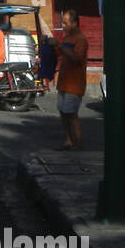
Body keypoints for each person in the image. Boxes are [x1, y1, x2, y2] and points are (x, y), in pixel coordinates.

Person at [49, 9, 89, 149]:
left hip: (74, 84)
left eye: (65, 23)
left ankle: (78, 144)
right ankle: (68, 140)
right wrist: (53, 45)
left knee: (71, 114)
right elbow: (61, 53)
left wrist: (59, 45)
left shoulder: (81, 40)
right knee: (63, 112)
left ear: (74, 23)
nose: (63, 25)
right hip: (64, 82)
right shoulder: (67, 38)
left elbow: (76, 58)